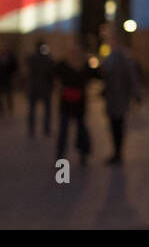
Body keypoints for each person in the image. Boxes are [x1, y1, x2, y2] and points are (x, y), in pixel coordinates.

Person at [98, 24, 141, 165]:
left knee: (118, 125)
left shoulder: (122, 55)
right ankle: (116, 152)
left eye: (109, 37)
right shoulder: (110, 55)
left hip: (120, 96)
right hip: (112, 97)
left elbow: (131, 76)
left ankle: (118, 154)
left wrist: (136, 94)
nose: (107, 40)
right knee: (114, 125)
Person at [55, 44, 94, 166]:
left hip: (76, 103)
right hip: (69, 102)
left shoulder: (83, 65)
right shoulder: (65, 65)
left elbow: (96, 75)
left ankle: (80, 155)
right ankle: (62, 156)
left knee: (78, 130)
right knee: (67, 130)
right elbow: (51, 74)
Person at [25, 41, 55, 138]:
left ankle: (31, 129)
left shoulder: (31, 58)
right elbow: (52, 73)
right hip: (45, 87)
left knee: (32, 110)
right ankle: (46, 129)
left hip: (33, 87)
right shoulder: (48, 59)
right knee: (47, 109)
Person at [0, 45, 18, 118]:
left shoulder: (11, 59)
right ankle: (1, 110)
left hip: (7, 79)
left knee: (8, 95)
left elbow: (14, 67)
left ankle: (9, 108)